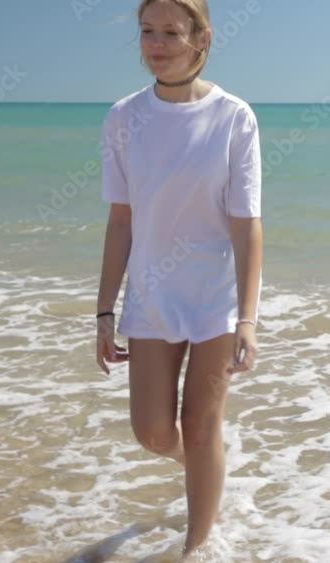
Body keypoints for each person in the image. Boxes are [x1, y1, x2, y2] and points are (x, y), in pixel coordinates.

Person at [94, 0, 263, 555]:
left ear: (201, 37)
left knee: (200, 424)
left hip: (214, 297)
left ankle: (196, 548)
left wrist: (248, 318)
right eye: (147, 32)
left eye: (171, 32)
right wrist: (104, 312)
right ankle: (207, 472)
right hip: (151, 294)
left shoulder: (234, 116)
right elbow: (121, 222)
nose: (157, 44)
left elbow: (246, 226)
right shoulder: (123, 117)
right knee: (153, 433)